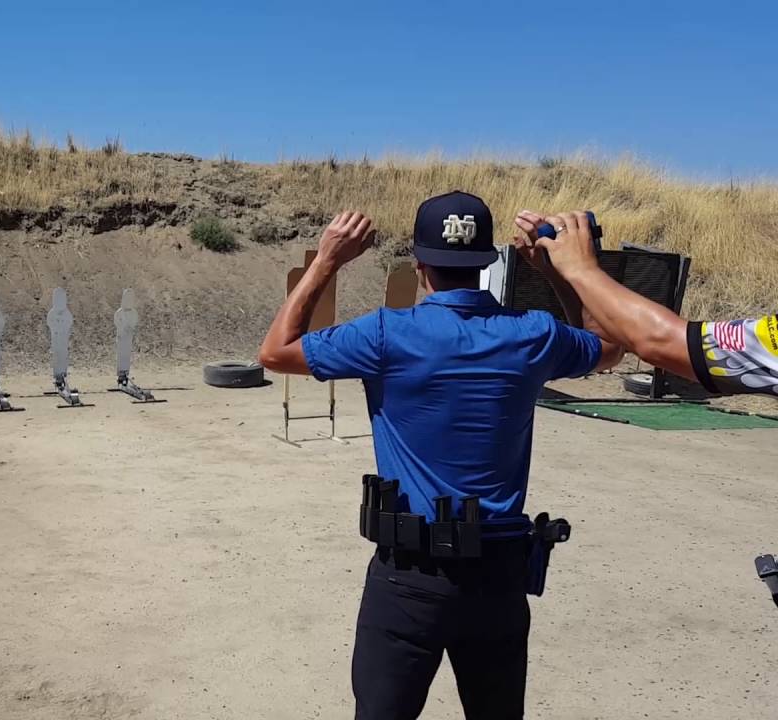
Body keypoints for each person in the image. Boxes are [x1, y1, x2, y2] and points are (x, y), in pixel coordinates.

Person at [258, 192, 624, 719]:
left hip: (409, 578)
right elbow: (607, 347)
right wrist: (558, 272)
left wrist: (327, 261)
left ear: (419, 263)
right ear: (488, 262)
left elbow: (275, 352)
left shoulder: (385, 333)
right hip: (498, 576)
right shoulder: (534, 334)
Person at [516, 209, 778, 396]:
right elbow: (608, 350)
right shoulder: (517, 338)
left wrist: (578, 271)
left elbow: (656, 341)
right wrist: (575, 271)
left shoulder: (508, 337)